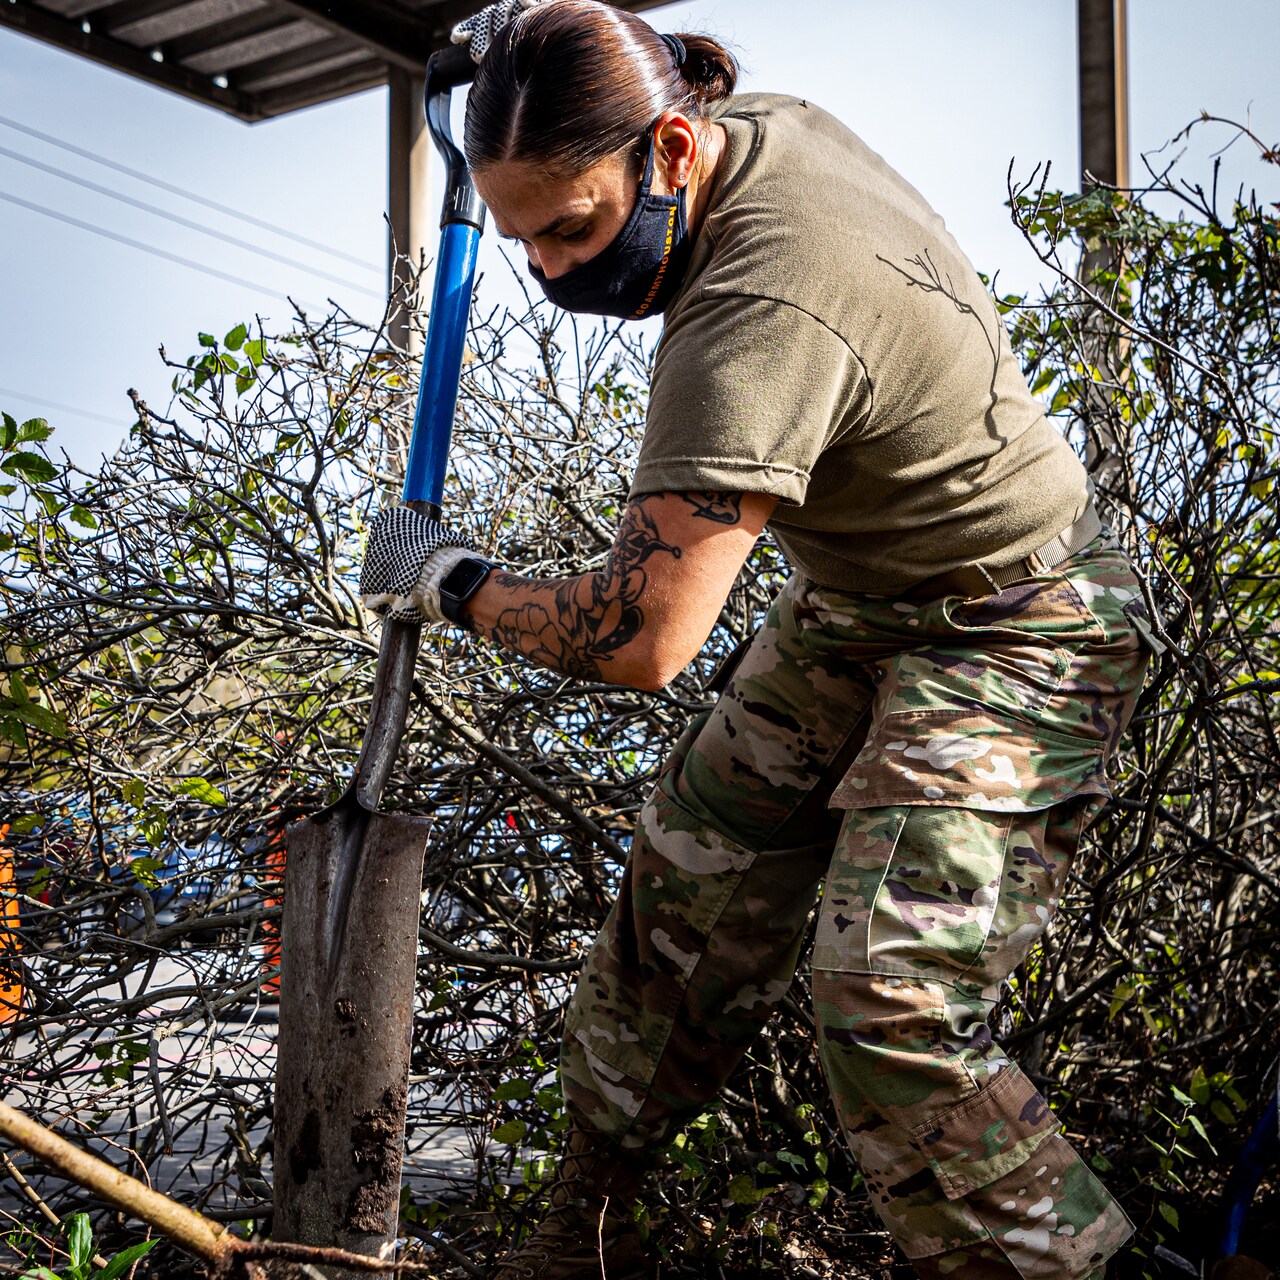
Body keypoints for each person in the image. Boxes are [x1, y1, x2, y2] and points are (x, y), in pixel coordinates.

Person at [359, 2, 1158, 1276]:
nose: (558, 275)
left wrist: (449, 582)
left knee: (891, 997)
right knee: (684, 887)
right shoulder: (730, 124)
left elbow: (638, 637)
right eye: (523, 243)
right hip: (861, 602)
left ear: (672, 151)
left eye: (573, 228)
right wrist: (540, 28)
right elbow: (630, 62)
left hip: (1019, 622)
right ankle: (585, 1232)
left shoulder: (761, 303)